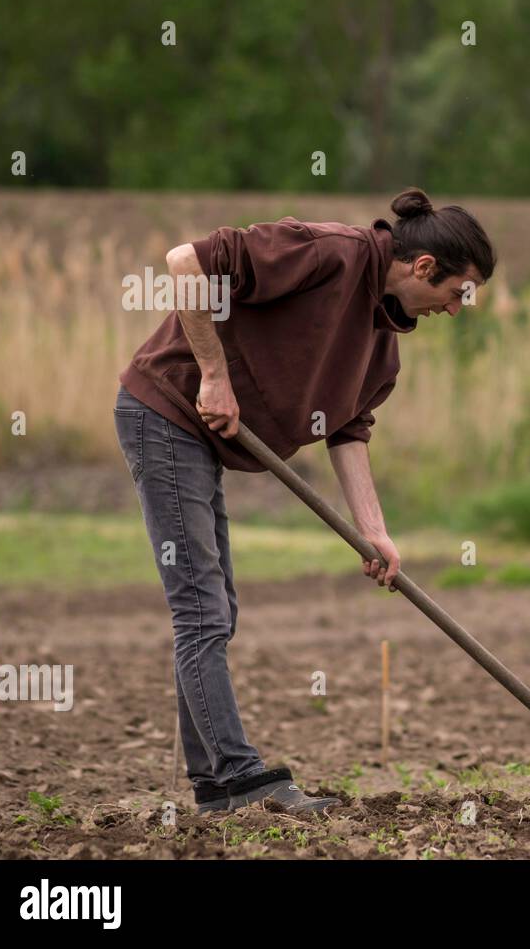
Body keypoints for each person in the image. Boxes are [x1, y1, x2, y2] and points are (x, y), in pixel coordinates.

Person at [113, 188, 495, 813]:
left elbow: (348, 431)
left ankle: (212, 782)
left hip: (200, 440)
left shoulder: (381, 351)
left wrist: (375, 532)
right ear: (425, 268)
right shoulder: (328, 253)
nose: (454, 311)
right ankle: (240, 781)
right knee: (203, 610)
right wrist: (213, 375)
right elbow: (185, 261)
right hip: (164, 412)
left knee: (215, 609)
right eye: (458, 295)